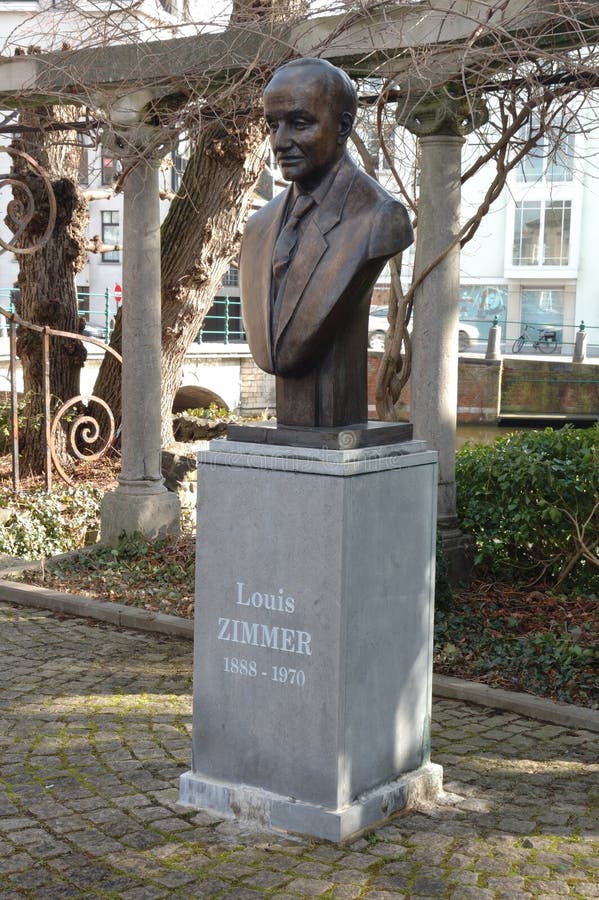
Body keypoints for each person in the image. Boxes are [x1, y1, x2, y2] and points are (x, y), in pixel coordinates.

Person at [240, 57, 413, 428]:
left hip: (340, 423)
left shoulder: (379, 218)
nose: (280, 142)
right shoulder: (258, 226)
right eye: (273, 125)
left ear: (342, 127)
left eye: (300, 123)